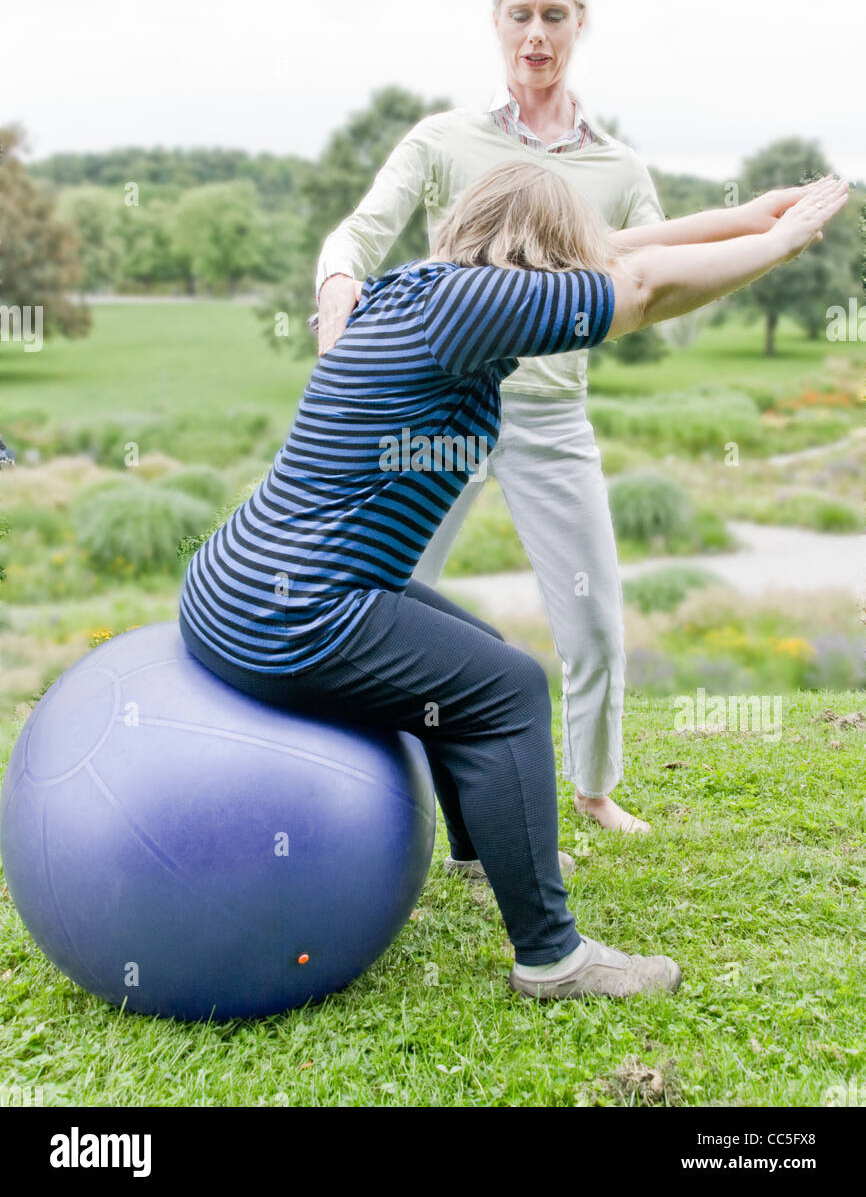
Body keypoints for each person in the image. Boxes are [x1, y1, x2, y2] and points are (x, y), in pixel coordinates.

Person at [178, 161, 846, 1001]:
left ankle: (480, 853)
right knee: (510, 689)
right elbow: (634, 287)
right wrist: (777, 245)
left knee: (478, 654)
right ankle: (553, 960)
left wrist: (744, 216)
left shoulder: (420, 286)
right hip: (296, 616)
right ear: (545, 256)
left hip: (233, 590)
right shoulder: (478, 303)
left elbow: (623, 253)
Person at [313, 0, 805, 836]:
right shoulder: (442, 140)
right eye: (520, 15)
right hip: (441, 414)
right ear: (496, 24)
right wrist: (336, 283)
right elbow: (362, 229)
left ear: (580, 26)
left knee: (593, 622)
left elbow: (657, 267)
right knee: (382, 607)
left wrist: (758, 223)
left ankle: (593, 787)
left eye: (555, 15)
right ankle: (373, 788)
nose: (536, 33)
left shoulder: (616, 168)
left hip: (548, 417)